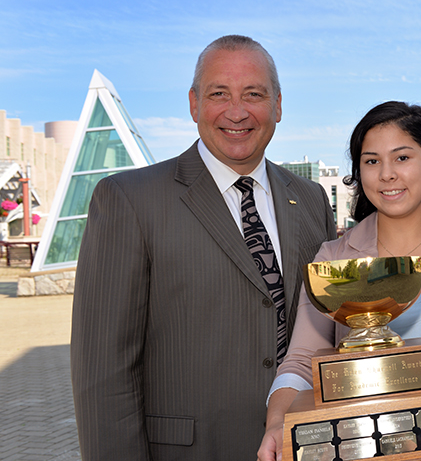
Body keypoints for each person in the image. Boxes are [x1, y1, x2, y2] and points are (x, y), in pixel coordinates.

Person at [70, 35, 336, 460]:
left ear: (278, 105)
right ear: (194, 104)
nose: (237, 111)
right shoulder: (129, 199)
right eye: (219, 94)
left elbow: (328, 332)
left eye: (254, 94)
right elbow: (104, 373)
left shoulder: (310, 199)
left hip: (303, 444)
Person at [258, 101, 421, 460]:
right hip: (355, 446)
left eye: (402, 158)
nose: (387, 174)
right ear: (360, 173)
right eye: (372, 161)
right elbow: (299, 362)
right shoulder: (332, 258)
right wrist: (276, 421)